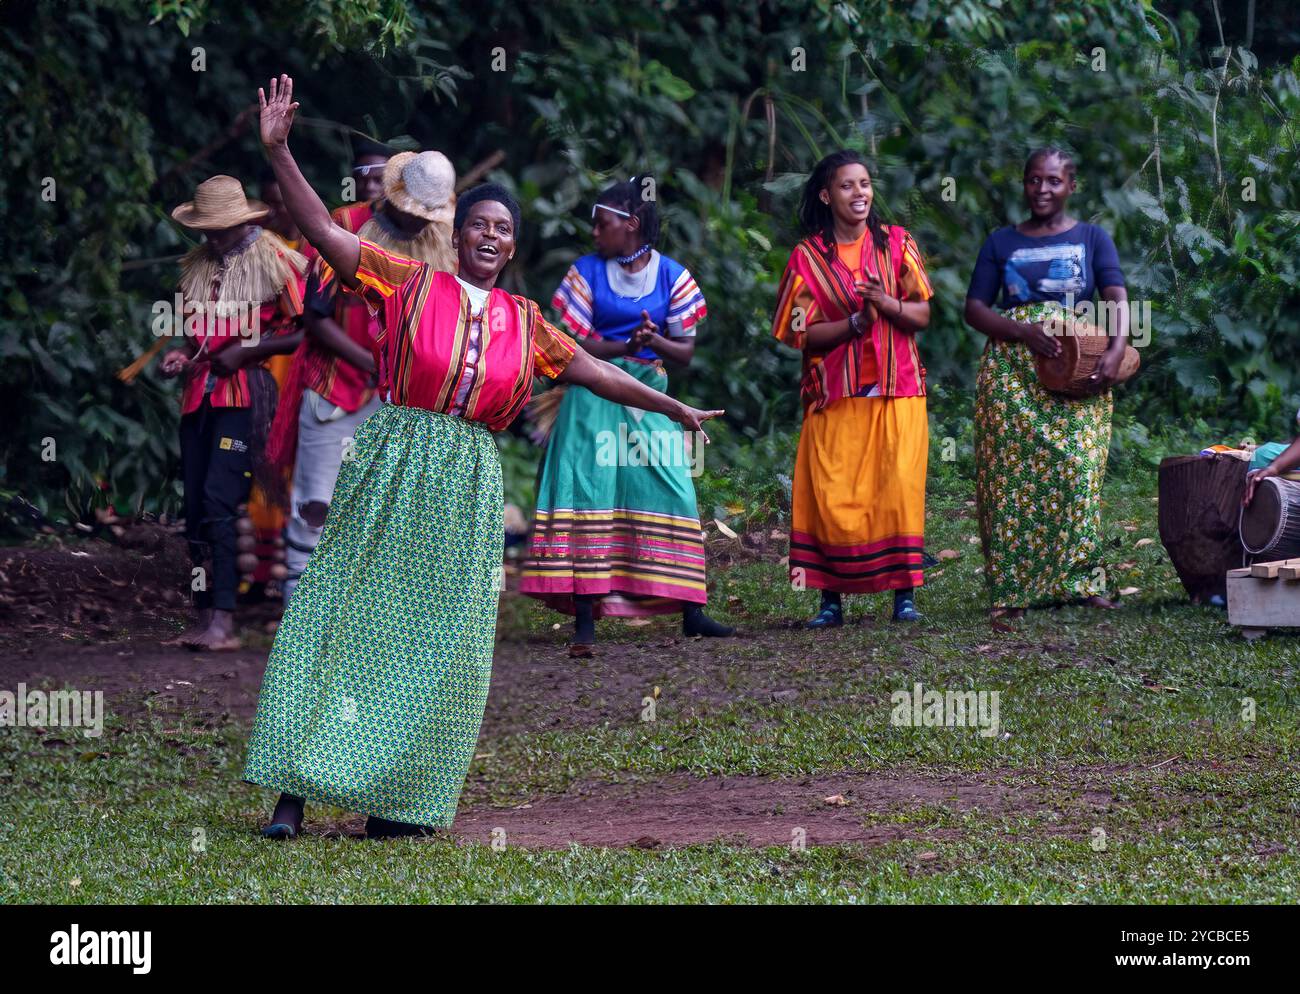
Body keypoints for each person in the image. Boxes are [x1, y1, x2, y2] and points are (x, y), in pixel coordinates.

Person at [242, 75, 723, 839]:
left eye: (504, 227)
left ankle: (396, 800)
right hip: (395, 461)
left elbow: (599, 374)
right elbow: (326, 237)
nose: (492, 235)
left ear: (512, 243)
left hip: (467, 480)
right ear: (456, 234)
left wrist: (675, 406)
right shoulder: (406, 284)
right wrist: (280, 150)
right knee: (342, 612)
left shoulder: (526, 322)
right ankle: (292, 797)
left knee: (442, 642)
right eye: (480, 225)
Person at [520, 176, 733, 653]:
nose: (595, 233)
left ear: (631, 224)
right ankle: (584, 621)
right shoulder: (585, 273)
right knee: (587, 493)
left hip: (649, 395)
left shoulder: (672, 276)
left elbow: (685, 353)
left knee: (672, 488)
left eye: (603, 224)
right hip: (590, 394)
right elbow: (570, 347)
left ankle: (691, 610)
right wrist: (624, 344)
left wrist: (651, 341)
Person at [267, 148, 457, 606]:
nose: (416, 222)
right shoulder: (344, 225)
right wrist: (374, 362)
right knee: (316, 503)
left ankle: (363, 615)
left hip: (403, 399)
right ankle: (299, 612)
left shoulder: (440, 235)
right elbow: (315, 316)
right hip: (336, 384)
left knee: (388, 507)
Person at [964, 147, 1130, 619]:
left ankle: (1081, 581)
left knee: (1078, 472)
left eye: (1053, 181)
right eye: (1034, 180)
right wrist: (1023, 331)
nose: (1042, 190)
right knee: (1010, 480)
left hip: (1077, 369)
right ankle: (1013, 592)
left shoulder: (1094, 238)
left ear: (1071, 186)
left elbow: (1115, 296)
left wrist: (1116, 349)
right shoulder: (1000, 242)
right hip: (1013, 372)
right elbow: (974, 309)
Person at [770, 150, 933, 628]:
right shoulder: (807, 257)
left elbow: (922, 314)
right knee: (832, 492)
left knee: (896, 489)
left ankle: (904, 596)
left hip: (897, 384)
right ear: (826, 194)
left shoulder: (898, 244)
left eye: (864, 183)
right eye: (847, 185)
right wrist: (854, 323)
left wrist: (887, 304)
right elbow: (799, 332)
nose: (859, 193)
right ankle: (830, 600)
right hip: (834, 390)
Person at [157, 175, 306, 650]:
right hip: (199, 395)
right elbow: (195, 339)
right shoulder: (199, 267)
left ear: (242, 221)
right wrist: (182, 357)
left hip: (245, 396)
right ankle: (204, 615)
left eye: (221, 229)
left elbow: (307, 331)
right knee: (197, 508)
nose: (213, 237)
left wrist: (248, 352)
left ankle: (224, 620)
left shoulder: (278, 259)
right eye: (208, 229)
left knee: (221, 502)